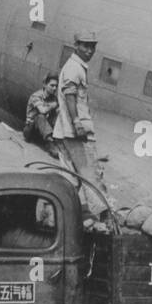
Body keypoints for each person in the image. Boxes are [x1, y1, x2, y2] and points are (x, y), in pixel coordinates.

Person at [53, 31, 105, 219]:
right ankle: (105, 219)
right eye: (85, 46)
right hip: (75, 133)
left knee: (69, 178)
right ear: (76, 45)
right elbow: (70, 96)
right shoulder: (75, 68)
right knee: (91, 176)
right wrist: (77, 123)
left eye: (92, 46)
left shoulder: (76, 66)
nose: (90, 50)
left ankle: (61, 215)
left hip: (65, 132)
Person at [24, 73, 60, 155]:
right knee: (40, 117)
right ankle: (51, 144)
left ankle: (57, 141)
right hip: (31, 131)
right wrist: (53, 105)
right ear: (45, 84)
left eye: (56, 86)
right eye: (52, 85)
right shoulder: (36, 96)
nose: (54, 88)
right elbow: (42, 110)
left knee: (59, 114)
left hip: (43, 132)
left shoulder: (54, 98)